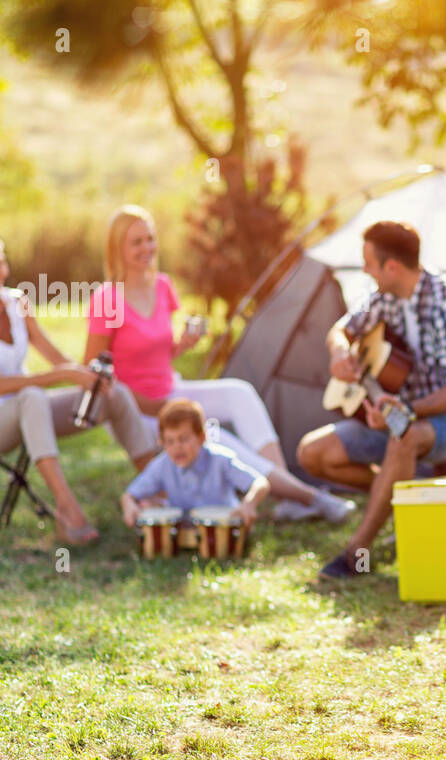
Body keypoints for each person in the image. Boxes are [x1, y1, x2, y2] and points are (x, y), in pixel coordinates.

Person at [85, 205, 353, 524]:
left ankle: (286, 491)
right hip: (138, 411)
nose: (147, 248)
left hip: (172, 392)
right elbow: (94, 368)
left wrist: (180, 345)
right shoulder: (107, 299)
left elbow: (150, 354)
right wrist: (151, 405)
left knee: (239, 392)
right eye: (136, 242)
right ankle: (312, 497)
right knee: (212, 438)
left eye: (150, 239)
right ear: (118, 249)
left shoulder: (161, 286)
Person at [298, 221, 446, 579]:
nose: (364, 270)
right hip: (408, 420)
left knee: (404, 436)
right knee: (312, 453)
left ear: (391, 267)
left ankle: (356, 553)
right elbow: (342, 329)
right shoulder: (385, 298)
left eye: (369, 263)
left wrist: (404, 411)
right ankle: (405, 488)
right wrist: (340, 352)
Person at [0, 233, 158, 545]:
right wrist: (61, 375)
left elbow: (55, 356)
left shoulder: (16, 303)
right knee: (31, 396)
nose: (2, 273)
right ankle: (68, 510)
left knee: (116, 394)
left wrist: (89, 376)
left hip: (33, 414)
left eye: (2, 263)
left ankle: (159, 490)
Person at [121, 399, 268, 531]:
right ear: (162, 442)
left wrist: (249, 503)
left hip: (224, 531)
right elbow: (129, 495)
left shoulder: (220, 459)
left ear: (202, 437)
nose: (177, 447)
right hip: (183, 534)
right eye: (170, 441)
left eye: (184, 439)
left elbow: (261, 483)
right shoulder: (162, 465)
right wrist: (129, 505)